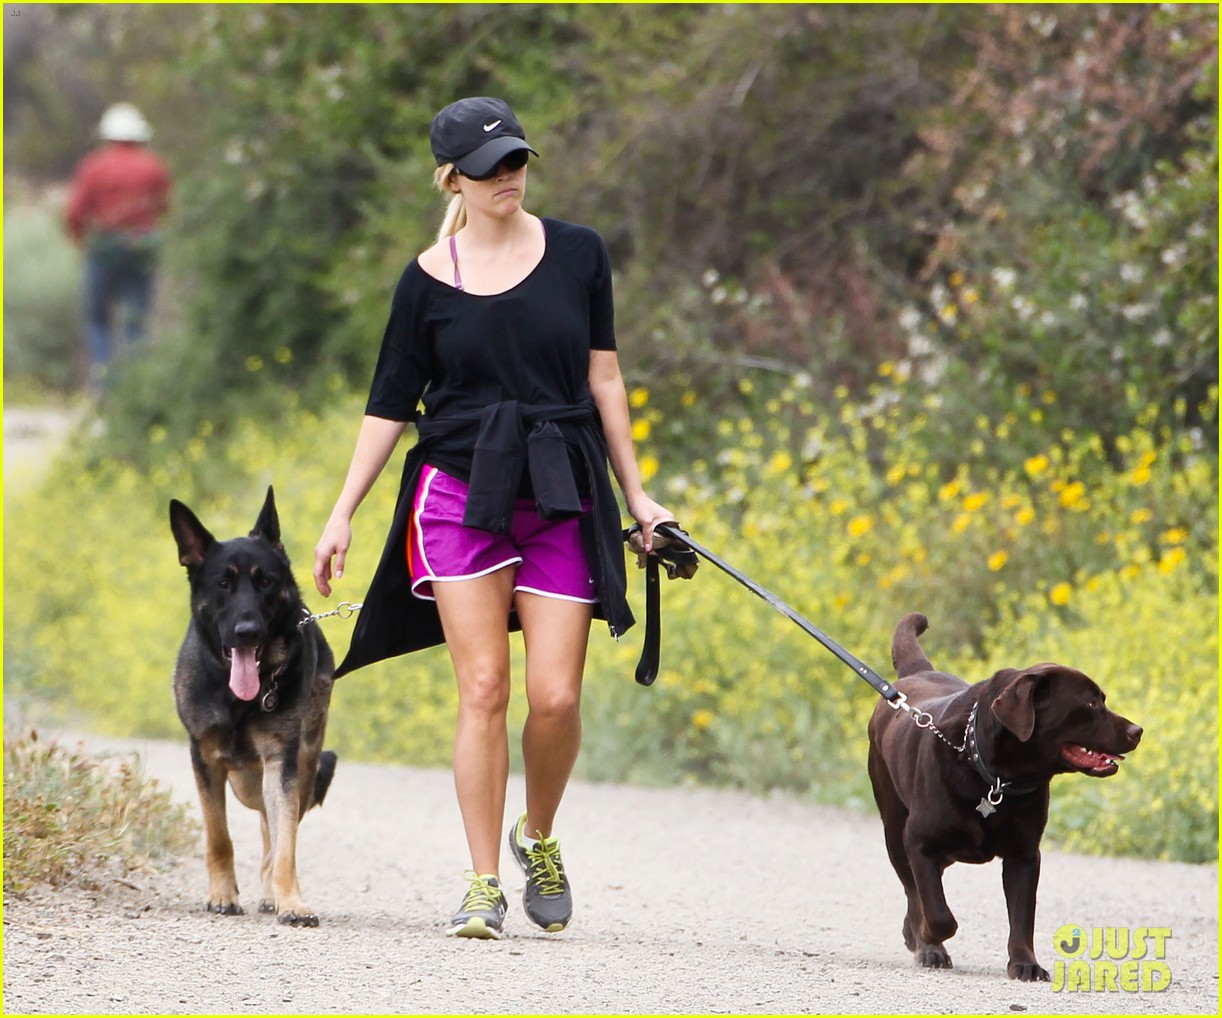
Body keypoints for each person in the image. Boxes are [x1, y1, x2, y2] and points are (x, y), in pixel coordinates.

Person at [313, 96, 674, 941]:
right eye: (487, 169)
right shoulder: (425, 281)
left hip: (559, 489)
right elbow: (387, 407)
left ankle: (536, 837)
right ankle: (481, 883)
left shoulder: (579, 253)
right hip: (458, 496)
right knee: (482, 689)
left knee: (554, 697)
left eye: (514, 161)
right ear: (452, 180)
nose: (506, 178)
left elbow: (605, 380)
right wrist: (342, 513)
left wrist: (639, 497)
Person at [65, 102, 172, 388]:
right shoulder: (154, 167)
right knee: (136, 321)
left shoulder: (94, 167)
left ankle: (104, 388)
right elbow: (164, 209)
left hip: (105, 249)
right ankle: (138, 389)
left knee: (99, 321)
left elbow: (75, 214)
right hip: (142, 250)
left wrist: (82, 243)